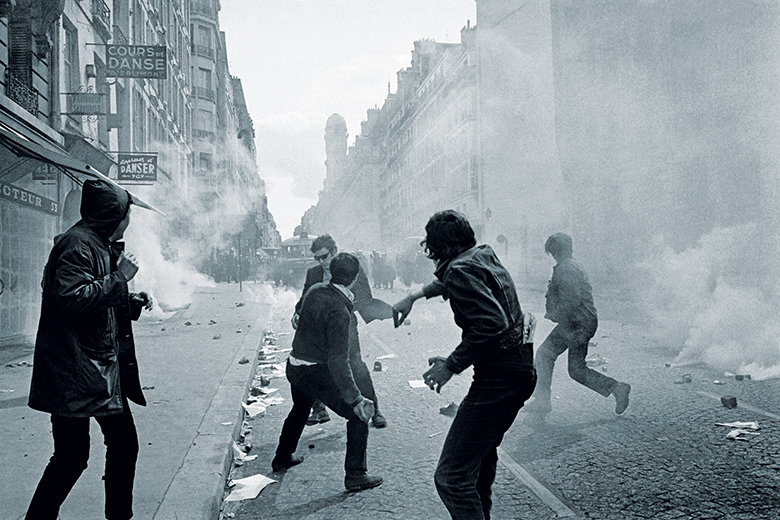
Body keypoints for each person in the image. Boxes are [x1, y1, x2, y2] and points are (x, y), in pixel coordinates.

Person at [392, 210, 536, 520]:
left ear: (438, 247)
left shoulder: (460, 269)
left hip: (498, 378)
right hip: (519, 368)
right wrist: (415, 295)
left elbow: (491, 323)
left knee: (451, 478)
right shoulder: (481, 255)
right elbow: (451, 279)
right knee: (478, 464)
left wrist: (450, 365)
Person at [25, 179, 154, 520]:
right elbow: (73, 298)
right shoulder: (78, 245)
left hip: (93, 370)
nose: (129, 221)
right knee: (77, 455)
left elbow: (93, 298)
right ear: (113, 215)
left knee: (94, 451)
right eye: (126, 214)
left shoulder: (95, 243)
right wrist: (120, 279)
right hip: (77, 371)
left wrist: (130, 301)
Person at [273, 252, 383, 491]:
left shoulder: (316, 290)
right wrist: (356, 399)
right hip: (315, 371)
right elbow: (338, 361)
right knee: (358, 416)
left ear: (331, 272)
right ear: (355, 278)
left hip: (295, 365)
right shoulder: (340, 312)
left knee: (300, 409)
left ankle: (281, 458)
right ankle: (356, 475)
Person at [524, 232, 630, 415]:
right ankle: (542, 401)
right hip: (576, 322)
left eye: (553, 251)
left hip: (578, 324)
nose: (552, 255)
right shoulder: (569, 266)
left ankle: (617, 388)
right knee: (547, 356)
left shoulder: (567, 269)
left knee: (571, 367)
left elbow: (571, 301)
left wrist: (554, 314)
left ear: (556, 251)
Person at [291, 234, 391, 428]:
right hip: (318, 330)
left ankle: (374, 410)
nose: (322, 262)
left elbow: (365, 299)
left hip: (344, 326)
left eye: (324, 256)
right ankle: (319, 409)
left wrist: (341, 307)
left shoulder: (351, 268)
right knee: (313, 365)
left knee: (356, 365)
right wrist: (297, 313)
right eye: (317, 258)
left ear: (334, 252)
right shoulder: (313, 273)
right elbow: (305, 298)